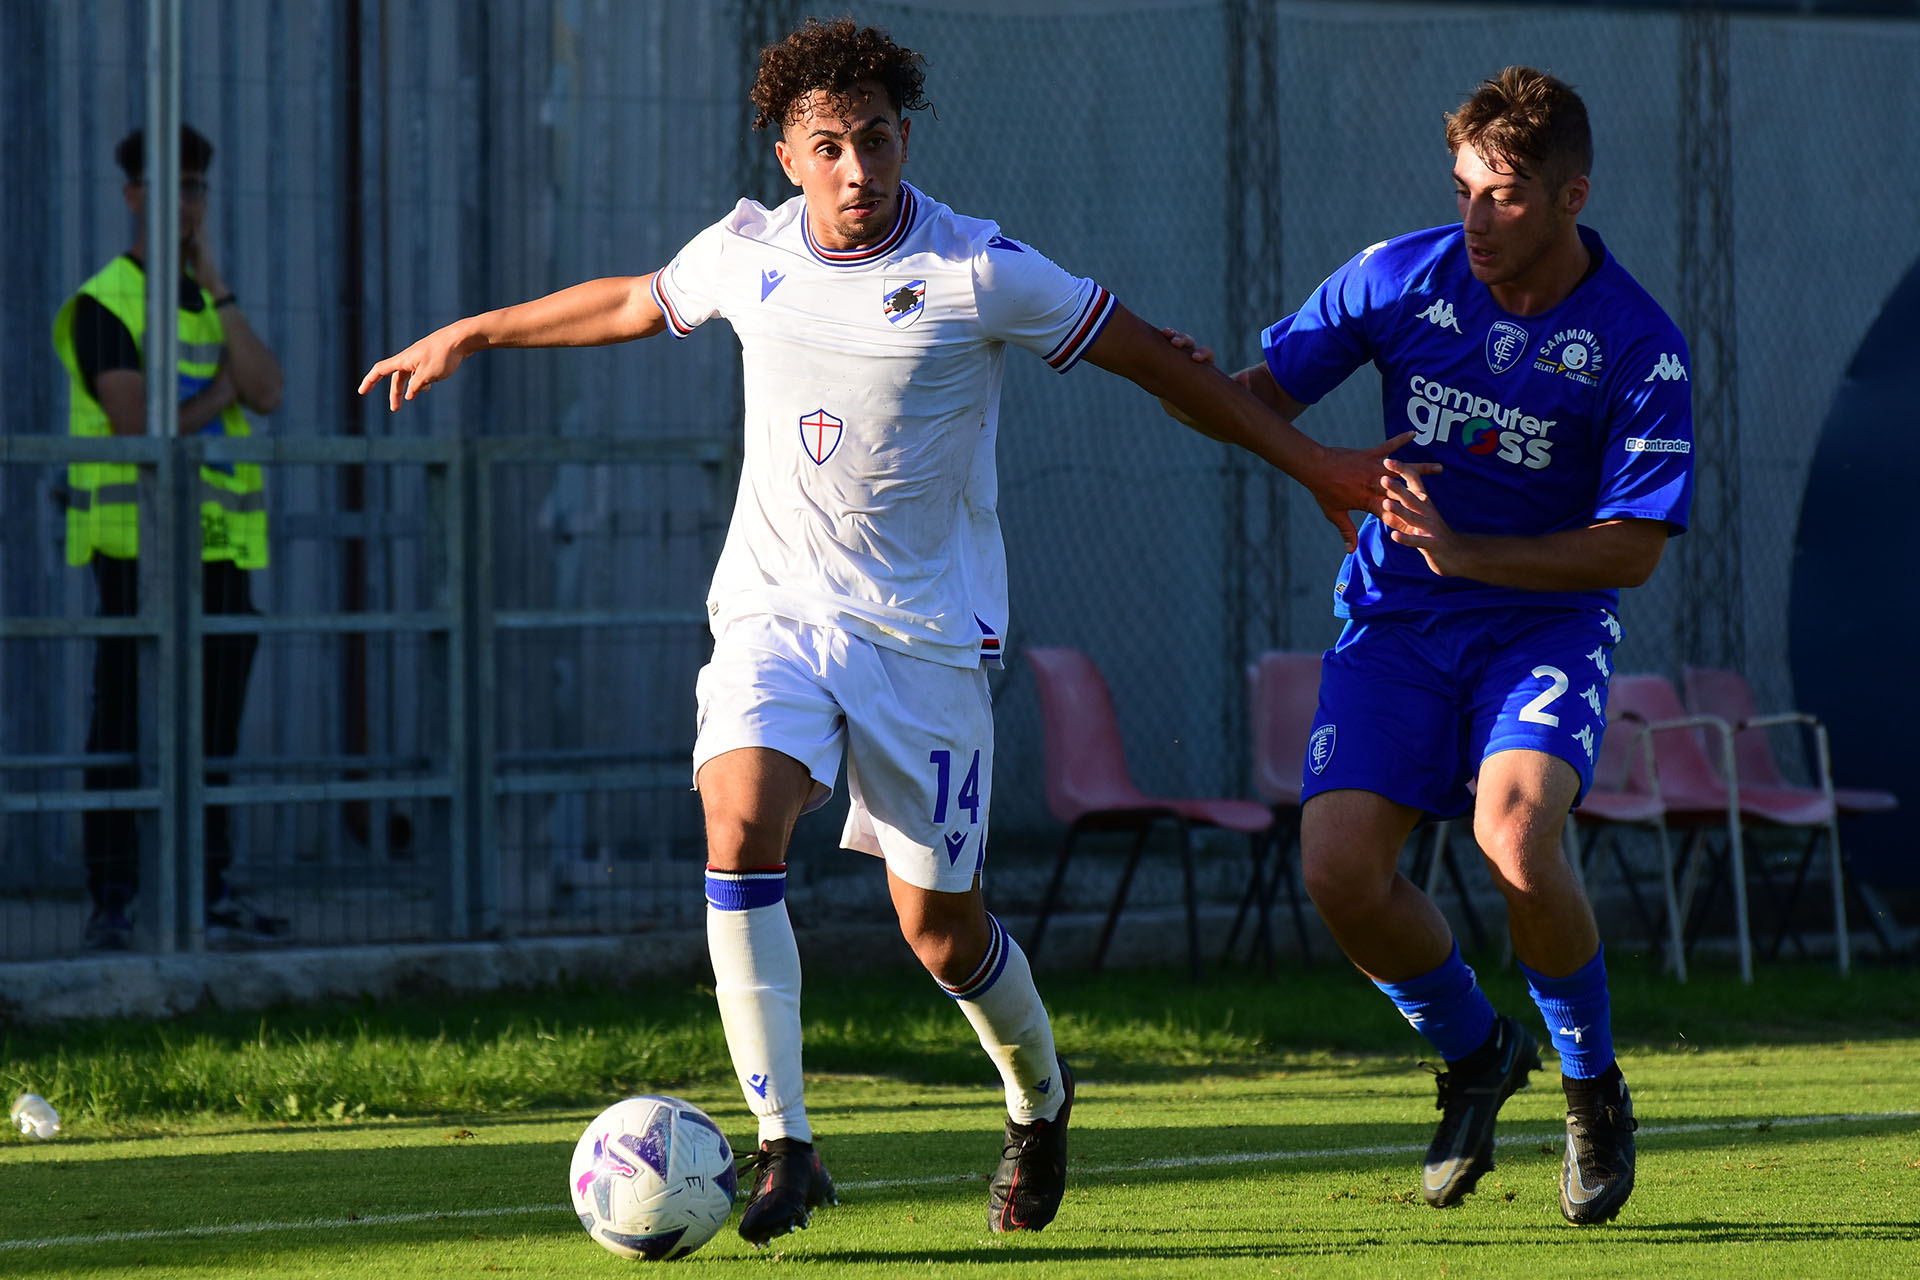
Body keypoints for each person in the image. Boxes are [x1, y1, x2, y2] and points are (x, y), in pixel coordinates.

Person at [360, 18, 1412, 1246]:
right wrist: (472, 331)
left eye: (875, 139)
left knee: (938, 930)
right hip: (775, 612)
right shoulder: (746, 253)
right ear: (788, 154)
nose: (858, 167)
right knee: (739, 815)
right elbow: (635, 302)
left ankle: (1039, 1098)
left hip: (923, 646)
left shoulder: (982, 270)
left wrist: (1314, 464)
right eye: (829, 146)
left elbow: (1159, 367)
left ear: (905, 135)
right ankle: (786, 1145)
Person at [1165, 67, 1692, 1225]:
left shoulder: (1638, 344)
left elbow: (1632, 550)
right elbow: (1256, 397)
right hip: (1397, 621)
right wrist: (1223, 406)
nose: (1477, 221)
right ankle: (1474, 1051)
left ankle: (1593, 1089)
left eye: (1503, 195)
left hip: (1543, 627)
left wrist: (1469, 554)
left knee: (1513, 834)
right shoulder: (1399, 276)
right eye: (1464, 191)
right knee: (1338, 871)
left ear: (1571, 195)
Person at [52, 124, 288, 950]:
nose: (185, 203)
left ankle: (210, 892)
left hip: (218, 550)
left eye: (196, 188)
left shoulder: (207, 302)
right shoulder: (104, 302)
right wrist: (221, 391)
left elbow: (268, 389)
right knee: (122, 726)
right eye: (168, 187)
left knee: (214, 733)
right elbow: (134, 424)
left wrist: (214, 283)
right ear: (132, 197)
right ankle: (113, 899)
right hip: (133, 552)